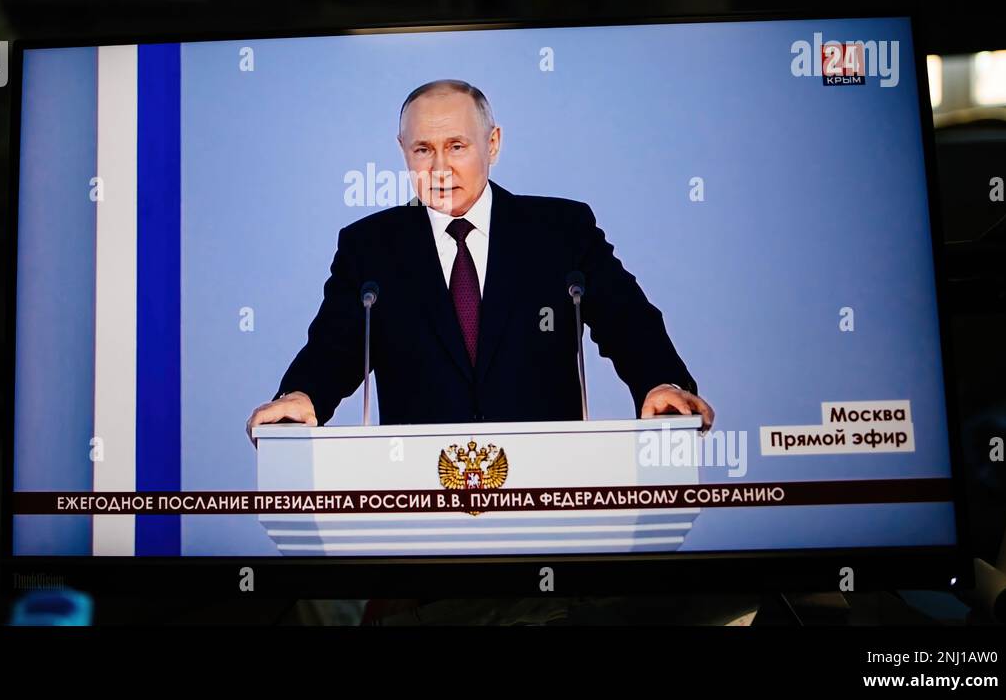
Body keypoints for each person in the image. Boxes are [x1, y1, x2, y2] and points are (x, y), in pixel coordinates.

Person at [246, 80, 713, 441]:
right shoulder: (370, 246)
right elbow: (335, 349)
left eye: (457, 146)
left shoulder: (561, 230)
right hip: (417, 497)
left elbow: (627, 320)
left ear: (492, 144)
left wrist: (661, 383)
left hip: (550, 488)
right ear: (402, 152)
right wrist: (301, 395)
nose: (440, 168)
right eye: (423, 150)